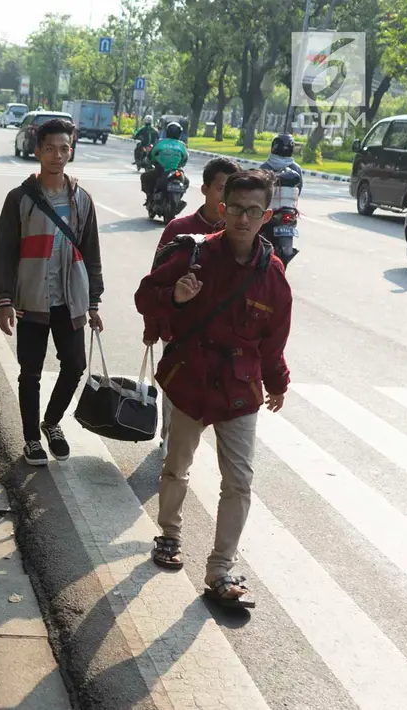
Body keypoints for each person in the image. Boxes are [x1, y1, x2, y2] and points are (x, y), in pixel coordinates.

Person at [134, 169, 293, 610]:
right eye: (236, 209)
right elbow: (145, 295)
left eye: (254, 211)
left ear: (266, 215)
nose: (244, 218)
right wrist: (176, 300)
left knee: (239, 481)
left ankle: (220, 569)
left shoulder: (273, 276)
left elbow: (273, 341)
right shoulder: (193, 255)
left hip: (240, 392)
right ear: (222, 210)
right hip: (190, 380)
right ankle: (168, 535)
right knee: (176, 466)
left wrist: (277, 383)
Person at [0, 118, 105, 466]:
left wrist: (94, 301)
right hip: (31, 300)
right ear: (37, 151)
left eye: (64, 148)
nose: (58, 155)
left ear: (71, 151)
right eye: (50, 149)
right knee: (31, 371)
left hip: (69, 299)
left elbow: (91, 252)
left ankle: (51, 422)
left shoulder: (82, 200)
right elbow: (5, 251)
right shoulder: (19, 199)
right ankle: (30, 439)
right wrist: (4, 300)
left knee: (74, 366)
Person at [146, 156, 241, 454]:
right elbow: (155, 282)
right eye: (220, 189)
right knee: (176, 391)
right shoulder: (179, 228)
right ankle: (170, 441)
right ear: (204, 189)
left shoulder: (241, 233)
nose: (225, 199)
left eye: (231, 192)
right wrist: (154, 323)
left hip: (223, 336)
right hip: (180, 330)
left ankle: (187, 445)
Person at [259, 134, 303, 260]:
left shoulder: (265, 167)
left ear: (274, 147)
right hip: (289, 211)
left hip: (270, 210)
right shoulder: (296, 169)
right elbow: (299, 190)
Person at [141, 122, 189, 206]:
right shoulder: (182, 146)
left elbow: (150, 156)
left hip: (161, 170)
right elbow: (184, 159)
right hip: (176, 171)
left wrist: (148, 162)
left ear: (167, 132)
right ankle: (178, 199)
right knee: (186, 182)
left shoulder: (160, 143)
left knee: (144, 177)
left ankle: (149, 197)